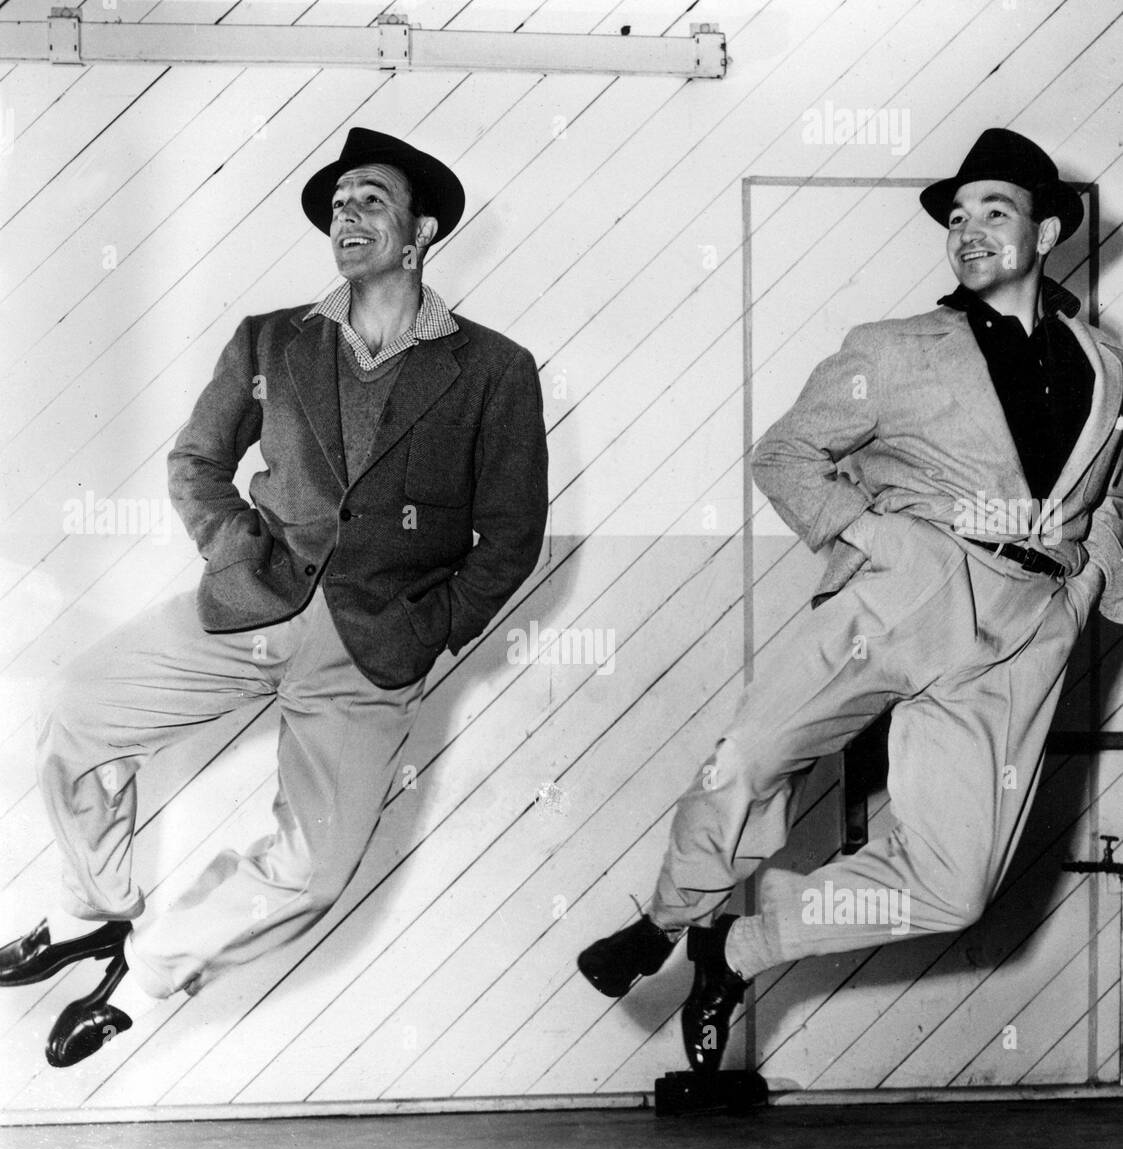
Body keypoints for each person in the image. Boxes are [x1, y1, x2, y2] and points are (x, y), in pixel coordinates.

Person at [577, 128, 1123, 1076]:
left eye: (994, 211)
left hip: (1025, 630)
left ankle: (738, 951)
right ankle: (669, 918)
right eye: (956, 217)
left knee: (955, 889)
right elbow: (784, 455)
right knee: (749, 757)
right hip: (903, 595)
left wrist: (1088, 588)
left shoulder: (1107, 365)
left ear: (1043, 233)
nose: (968, 231)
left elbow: (1106, 490)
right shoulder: (893, 350)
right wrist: (873, 537)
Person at [2, 129, 549, 1068]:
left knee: (317, 868)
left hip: (373, 647)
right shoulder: (271, 337)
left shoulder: (494, 369)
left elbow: (508, 539)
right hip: (251, 607)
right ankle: (92, 910)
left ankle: (141, 968)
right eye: (337, 203)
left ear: (421, 232)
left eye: (370, 199)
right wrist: (235, 554)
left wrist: (431, 632)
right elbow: (197, 462)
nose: (346, 213)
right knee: (79, 707)